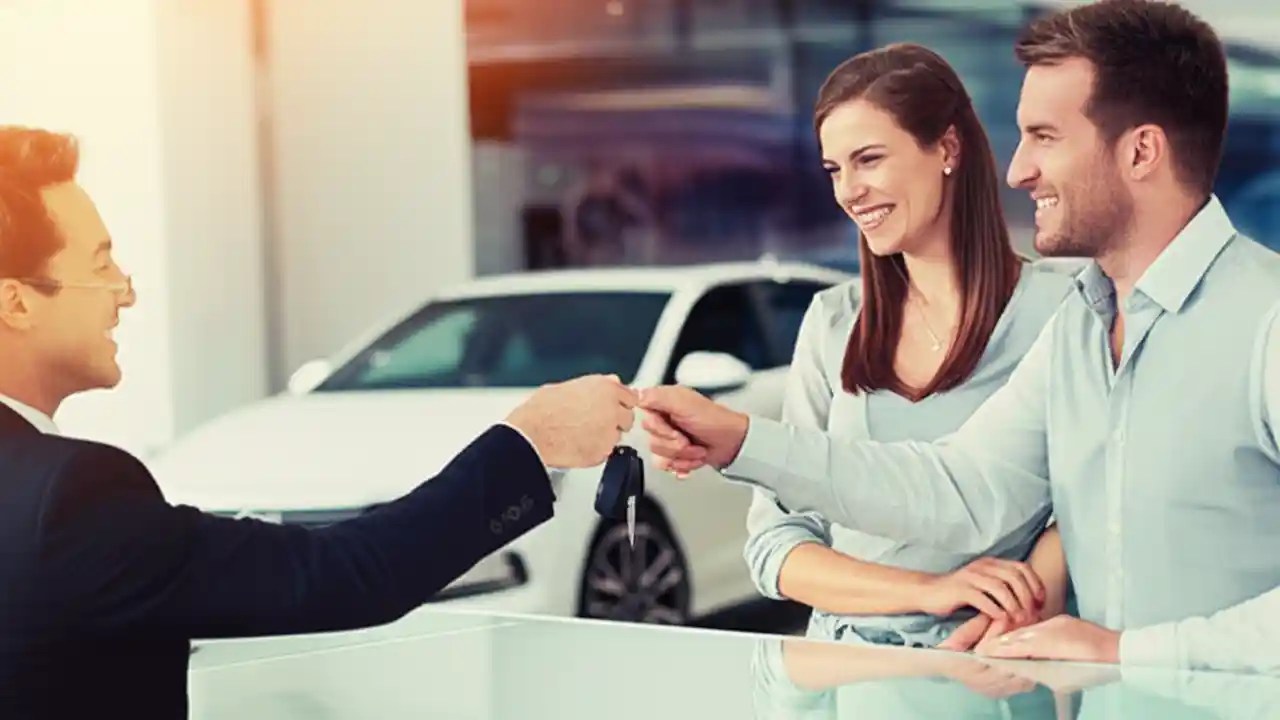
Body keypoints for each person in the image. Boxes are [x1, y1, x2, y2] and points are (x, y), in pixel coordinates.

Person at [641, 0, 1280, 674]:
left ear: (1141, 151)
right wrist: (742, 440)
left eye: (1045, 136)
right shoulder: (1081, 328)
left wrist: (1129, 654)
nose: (1018, 169)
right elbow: (958, 487)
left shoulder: (1266, 320)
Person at [0, 126, 637, 716]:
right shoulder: (67, 498)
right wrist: (531, 443)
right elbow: (349, 573)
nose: (126, 291)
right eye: (101, 265)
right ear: (17, 301)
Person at [738, 43, 1072, 652]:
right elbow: (776, 543)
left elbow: (1086, 511)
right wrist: (922, 589)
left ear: (946, 148)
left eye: (868, 159)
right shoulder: (834, 323)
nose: (849, 192)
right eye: (835, 170)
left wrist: (990, 630)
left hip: (997, 668)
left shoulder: (1064, 310)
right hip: (844, 674)